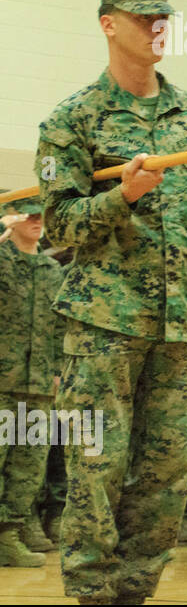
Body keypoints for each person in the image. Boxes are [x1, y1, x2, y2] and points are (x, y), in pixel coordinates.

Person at [36, 0, 187, 603]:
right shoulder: (71, 119)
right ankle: (90, 605)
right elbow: (59, 224)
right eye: (143, 18)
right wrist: (123, 195)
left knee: (169, 473)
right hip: (105, 324)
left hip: (183, 328)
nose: (156, 27)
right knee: (96, 468)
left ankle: (134, 599)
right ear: (108, 24)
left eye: (163, 17)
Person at [0, 197, 65, 566]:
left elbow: (58, 327)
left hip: (38, 383)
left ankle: (10, 532)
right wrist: (2, 230)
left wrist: (56, 370)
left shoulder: (50, 269)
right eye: (30, 216)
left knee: (28, 464)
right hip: (2, 380)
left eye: (43, 216)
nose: (38, 221)